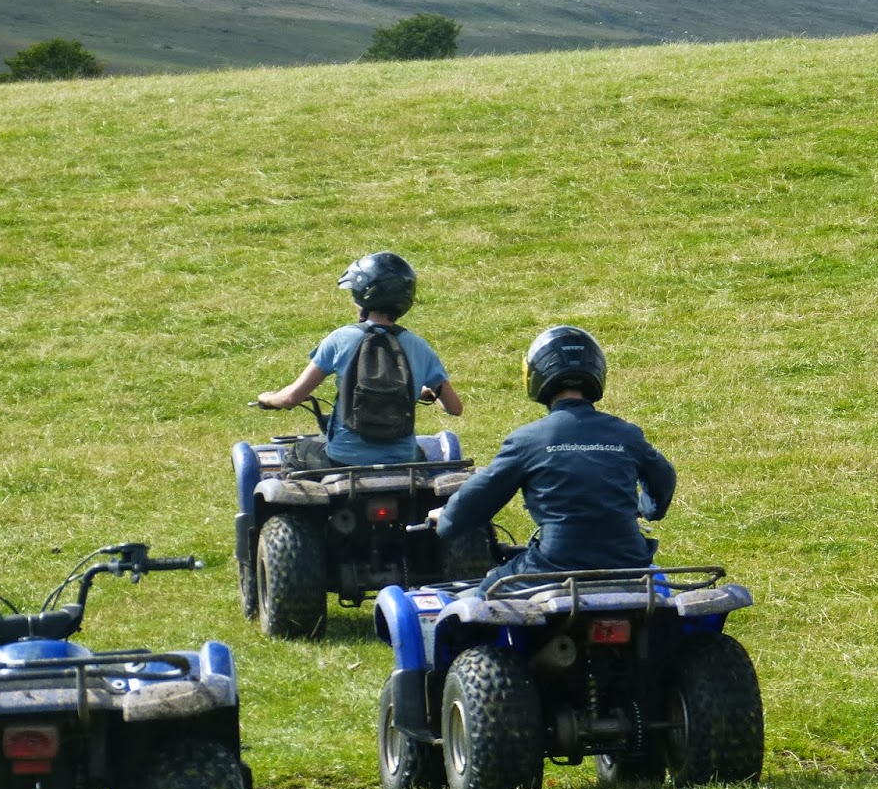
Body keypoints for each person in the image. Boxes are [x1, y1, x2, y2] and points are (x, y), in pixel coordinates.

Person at [434, 325, 676, 592]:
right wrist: (647, 507)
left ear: (534, 375)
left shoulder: (527, 440)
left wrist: (446, 518)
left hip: (553, 567)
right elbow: (664, 478)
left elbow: (479, 497)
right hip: (630, 565)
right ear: (597, 372)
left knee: (485, 591)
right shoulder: (626, 434)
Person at [257, 252, 463, 468]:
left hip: (343, 459)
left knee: (297, 454)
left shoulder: (341, 339)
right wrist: (425, 392)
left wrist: (269, 399)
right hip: (403, 461)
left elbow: (291, 398)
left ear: (363, 296)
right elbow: (454, 408)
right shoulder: (419, 346)